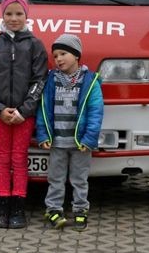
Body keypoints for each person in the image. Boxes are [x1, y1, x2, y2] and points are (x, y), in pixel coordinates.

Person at [0, 0, 48, 228]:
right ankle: (2, 207)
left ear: (26, 15)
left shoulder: (35, 45)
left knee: (19, 159)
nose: (14, 18)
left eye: (19, 14)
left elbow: (39, 80)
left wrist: (24, 110)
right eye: (9, 13)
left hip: (23, 116)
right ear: (2, 15)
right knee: (2, 159)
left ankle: (18, 209)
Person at [36, 33, 102, 232]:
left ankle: (80, 210)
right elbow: (43, 109)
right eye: (55, 56)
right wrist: (43, 135)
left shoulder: (90, 81)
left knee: (79, 179)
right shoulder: (50, 80)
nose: (58, 59)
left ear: (76, 55)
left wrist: (90, 139)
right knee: (55, 178)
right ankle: (53, 209)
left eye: (63, 54)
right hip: (57, 142)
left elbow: (96, 111)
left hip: (80, 143)